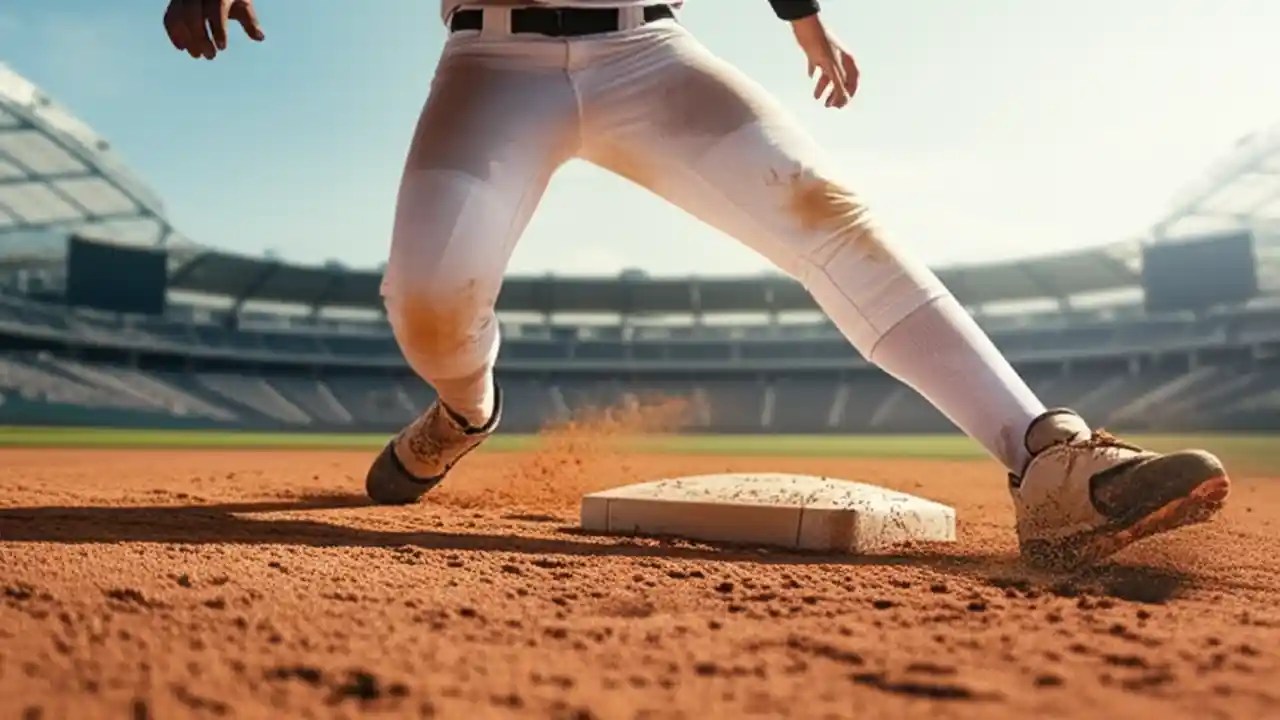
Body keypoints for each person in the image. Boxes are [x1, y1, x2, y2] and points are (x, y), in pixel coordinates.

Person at [162, 0, 1231, 570]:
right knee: (429, 299)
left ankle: (1045, 461)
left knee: (827, 214)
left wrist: (799, 14)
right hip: (489, 65)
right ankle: (466, 409)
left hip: (649, 52)